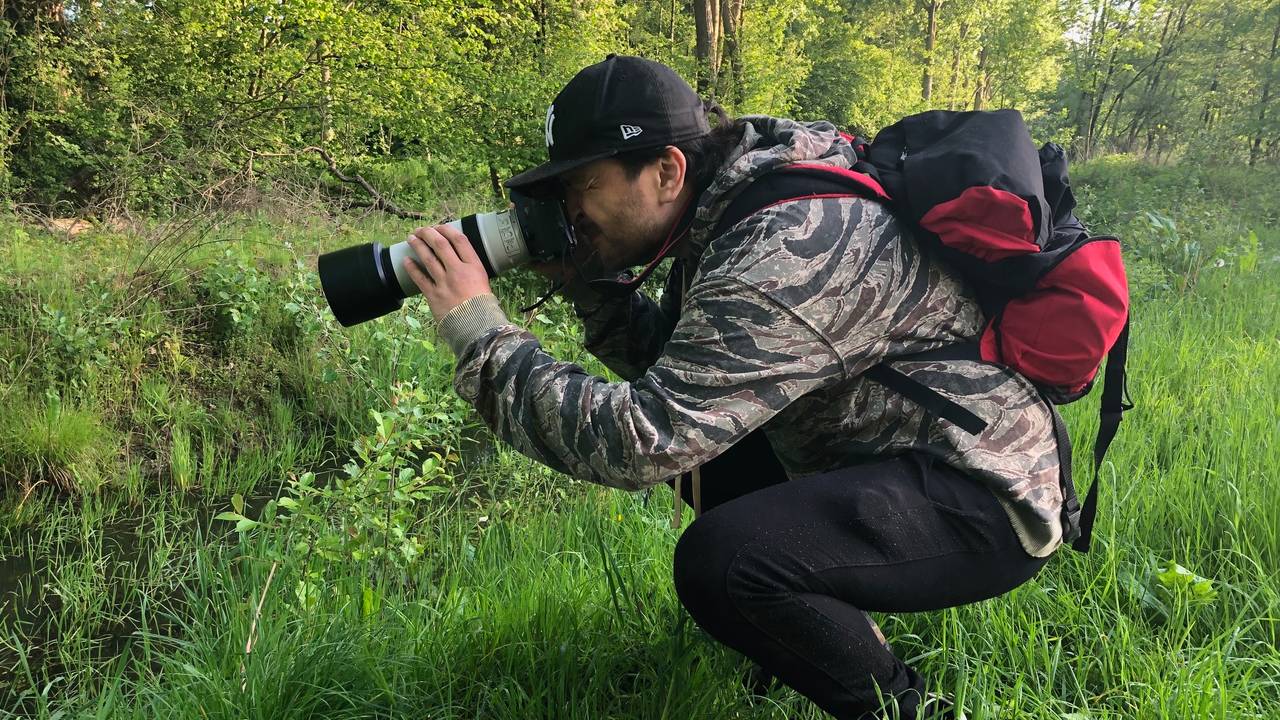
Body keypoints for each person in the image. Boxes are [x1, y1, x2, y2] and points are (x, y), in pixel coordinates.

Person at [398, 55, 1066, 720]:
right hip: (898, 456)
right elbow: (685, 371)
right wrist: (588, 280)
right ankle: (803, 631)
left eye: (582, 187)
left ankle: (907, 709)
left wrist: (478, 332)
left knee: (723, 563)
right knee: (708, 468)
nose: (570, 211)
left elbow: (640, 440)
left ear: (666, 170)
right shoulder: (729, 207)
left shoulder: (781, 246)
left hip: (983, 492)